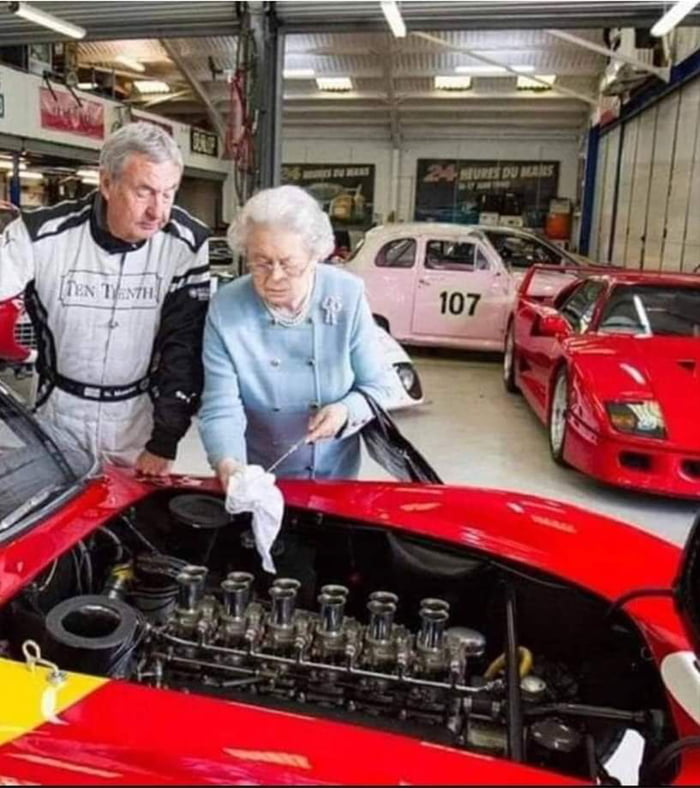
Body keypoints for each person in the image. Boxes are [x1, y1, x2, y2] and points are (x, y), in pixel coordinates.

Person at [0, 122, 210, 474]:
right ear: (107, 183)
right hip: (57, 414)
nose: (158, 212)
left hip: (136, 423)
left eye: (169, 193)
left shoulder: (186, 244)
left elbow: (184, 348)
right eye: (144, 192)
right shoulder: (38, 234)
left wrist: (165, 439)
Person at [199, 185, 394, 488]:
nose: (274, 276)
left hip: (335, 475)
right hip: (258, 476)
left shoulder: (347, 295)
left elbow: (380, 386)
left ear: (315, 255)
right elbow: (220, 404)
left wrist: (346, 411)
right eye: (261, 263)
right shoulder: (227, 308)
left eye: (288, 264)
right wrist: (229, 463)